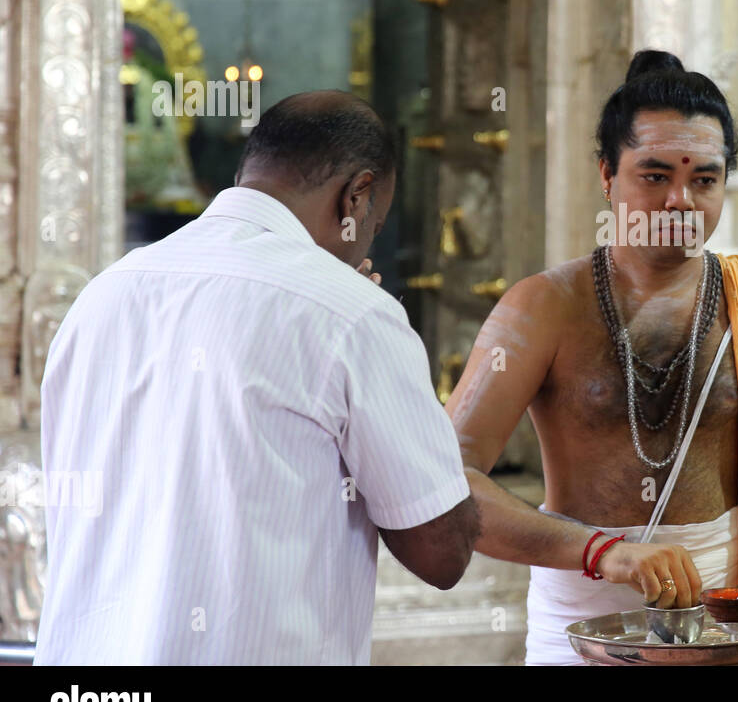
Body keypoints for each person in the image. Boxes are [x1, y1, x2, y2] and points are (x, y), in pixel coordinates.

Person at [35, 90, 479, 665]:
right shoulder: (351, 314)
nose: (365, 245)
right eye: (375, 225)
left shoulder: (103, 294)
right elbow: (442, 553)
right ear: (357, 196)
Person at [447, 51, 738, 665]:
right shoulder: (543, 308)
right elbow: (450, 480)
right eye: (654, 176)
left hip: (726, 629)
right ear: (607, 176)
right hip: (582, 628)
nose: (681, 202)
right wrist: (605, 552)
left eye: (704, 180)